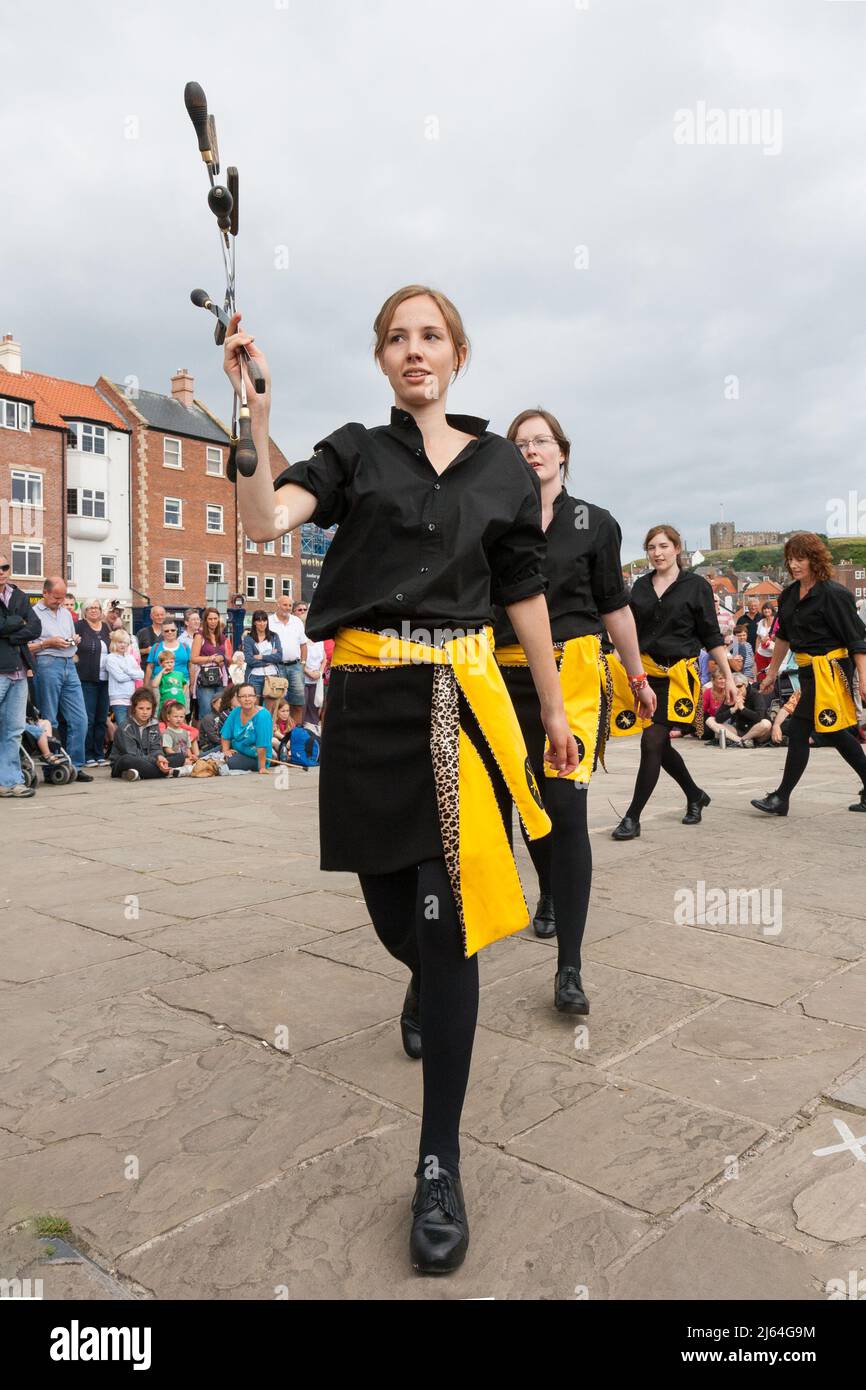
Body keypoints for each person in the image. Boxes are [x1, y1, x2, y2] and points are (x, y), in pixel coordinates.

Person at [226, 283, 578, 1277]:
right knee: (398, 922)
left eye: (429, 336)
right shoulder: (352, 452)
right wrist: (253, 418)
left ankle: (437, 1161)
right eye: (396, 338)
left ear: (456, 354)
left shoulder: (502, 466)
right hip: (369, 704)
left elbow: (522, 591)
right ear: (381, 360)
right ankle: (423, 975)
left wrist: (550, 706)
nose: (413, 350)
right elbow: (265, 521)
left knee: (448, 919)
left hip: (461, 706)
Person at [492, 409, 655, 1015]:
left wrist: (637, 677)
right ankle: (550, 890)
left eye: (542, 441)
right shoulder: (493, 519)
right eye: (520, 443)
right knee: (515, 801)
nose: (532, 450)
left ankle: (570, 968)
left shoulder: (594, 523)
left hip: (575, 673)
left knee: (565, 805)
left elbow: (614, 607)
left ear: (562, 453)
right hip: (502, 673)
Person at [611, 526, 737, 839]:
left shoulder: (696, 586)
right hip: (645, 675)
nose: (658, 553)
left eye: (664, 546)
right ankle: (695, 794)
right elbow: (627, 631)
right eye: (651, 547)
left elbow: (711, 636)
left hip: (678, 676)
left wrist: (730, 678)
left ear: (677, 548)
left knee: (651, 741)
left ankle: (632, 817)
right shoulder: (639, 587)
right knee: (661, 744)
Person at [751, 533, 866, 815]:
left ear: (815, 559)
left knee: (802, 727)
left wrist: (864, 676)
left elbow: (856, 640)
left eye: (800, 558)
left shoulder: (835, 595)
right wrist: (771, 672)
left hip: (831, 669)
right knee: (835, 731)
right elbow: (784, 637)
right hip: (806, 668)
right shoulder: (789, 594)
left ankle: (781, 797)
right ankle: (782, 797)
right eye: (790, 559)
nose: (794, 565)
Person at [29, 577, 92, 782]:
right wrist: (47, 643)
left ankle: (74, 765)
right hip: (47, 664)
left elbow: (70, 637)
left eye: (63, 597)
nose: (60, 601)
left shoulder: (66, 613)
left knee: (80, 718)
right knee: (50, 718)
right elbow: (26, 646)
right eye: (56, 597)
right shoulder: (33, 613)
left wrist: (75, 640)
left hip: (68, 664)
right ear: (45, 593)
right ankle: (52, 767)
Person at [0, 553, 41, 798]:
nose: (1, 571)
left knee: (14, 729)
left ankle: (10, 781)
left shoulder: (19, 595)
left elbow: (35, 627)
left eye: (5, 566)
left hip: (19, 669)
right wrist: (18, 621)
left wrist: (10, 633)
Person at [110, 688, 179, 781]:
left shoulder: (154, 724)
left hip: (149, 761)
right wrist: (156, 762)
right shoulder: (125, 727)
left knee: (179, 757)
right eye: (141, 708)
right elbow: (133, 754)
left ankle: (137, 773)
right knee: (127, 759)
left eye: (148, 708)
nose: (145, 712)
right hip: (127, 761)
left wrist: (159, 757)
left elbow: (156, 748)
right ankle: (168, 772)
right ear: (134, 708)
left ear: (153, 709)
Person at [75, 599, 112, 765]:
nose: (94, 611)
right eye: (90, 608)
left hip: (105, 679)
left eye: (96, 608)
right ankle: (87, 753)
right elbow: (72, 646)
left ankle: (99, 753)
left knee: (101, 718)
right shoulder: (79, 626)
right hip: (87, 678)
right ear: (84, 611)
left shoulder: (105, 627)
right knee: (88, 719)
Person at [268, 594, 307, 725]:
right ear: (277, 605)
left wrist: (303, 664)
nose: (288, 608)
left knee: (297, 703)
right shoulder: (269, 621)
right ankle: (276, 733)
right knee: (276, 703)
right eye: (285, 605)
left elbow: (303, 645)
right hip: (276, 666)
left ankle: (295, 734)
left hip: (295, 666)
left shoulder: (297, 621)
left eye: (290, 605)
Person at [189, 607, 232, 721]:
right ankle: (205, 737)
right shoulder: (199, 636)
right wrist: (211, 659)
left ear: (219, 620)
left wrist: (223, 659)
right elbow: (193, 658)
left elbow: (228, 658)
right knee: (207, 710)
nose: (213, 621)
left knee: (221, 709)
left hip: (221, 677)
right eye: (210, 619)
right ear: (205, 620)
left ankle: (219, 736)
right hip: (205, 677)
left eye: (215, 618)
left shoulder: (222, 637)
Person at [219, 683, 273, 771]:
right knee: (204, 756)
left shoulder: (263, 716)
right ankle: (192, 761)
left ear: (255, 698)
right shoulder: (235, 712)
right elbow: (225, 735)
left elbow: (262, 745)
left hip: (256, 757)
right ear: (238, 698)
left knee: (228, 762)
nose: (247, 699)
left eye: (250, 696)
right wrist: (226, 751)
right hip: (236, 749)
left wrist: (262, 767)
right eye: (243, 696)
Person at [242, 609, 281, 706]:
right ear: (254, 622)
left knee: (271, 708)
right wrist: (268, 660)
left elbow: (279, 656)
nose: (262, 623)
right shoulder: (248, 638)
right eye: (259, 621)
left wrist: (261, 657)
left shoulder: (274, 637)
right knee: (254, 707)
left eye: (264, 620)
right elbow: (249, 660)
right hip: (254, 676)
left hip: (272, 676)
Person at [105, 630, 141, 726]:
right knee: (123, 727)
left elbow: (141, 674)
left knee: (132, 727)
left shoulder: (130, 658)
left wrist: (126, 670)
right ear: (114, 642)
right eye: (120, 642)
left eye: (125, 643)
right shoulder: (110, 658)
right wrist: (133, 674)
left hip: (132, 698)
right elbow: (119, 677)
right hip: (118, 698)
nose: (123, 645)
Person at [145, 618, 191, 689]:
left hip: (182, 685)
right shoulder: (156, 647)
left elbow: (191, 666)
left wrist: (192, 684)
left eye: (172, 630)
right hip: (160, 685)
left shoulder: (185, 647)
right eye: (166, 631)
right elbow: (150, 667)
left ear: (176, 630)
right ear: (162, 632)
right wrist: (146, 686)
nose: (170, 632)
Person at [161, 699, 199, 774]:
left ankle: (183, 771)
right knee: (184, 768)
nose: (179, 719)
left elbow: (187, 749)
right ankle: (176, 771)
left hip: (185, 759)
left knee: (194, 764)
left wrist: (191, 756)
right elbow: (168, 750)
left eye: (181, 717)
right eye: (175, 716)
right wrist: (182, 759)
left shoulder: (185, 733)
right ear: (168, 717)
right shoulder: (167, 733)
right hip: (175, 759)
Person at [151, 648, 187, 716]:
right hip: (166, 703)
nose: (170, 664)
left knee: (179, 718)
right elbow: (154, 685)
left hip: (179, 702)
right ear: (161, 664)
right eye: (167, 662)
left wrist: (182, 692)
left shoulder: (179, 674)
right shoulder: (161, 675)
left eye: (172, 662)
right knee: (164, 718)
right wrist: (162, 672)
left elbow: (185, 684)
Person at [755, 602, 778, 678]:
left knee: (772, 676)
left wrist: (771, 638)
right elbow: (758, 637)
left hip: (773, 654)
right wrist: (756, 650)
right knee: (761, 676)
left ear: (772, 610)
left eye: (768, 608)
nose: (766, 610)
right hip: (761, 653)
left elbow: (781, 638)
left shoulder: (777, 621)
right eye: (764, 608)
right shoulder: (761, 622)